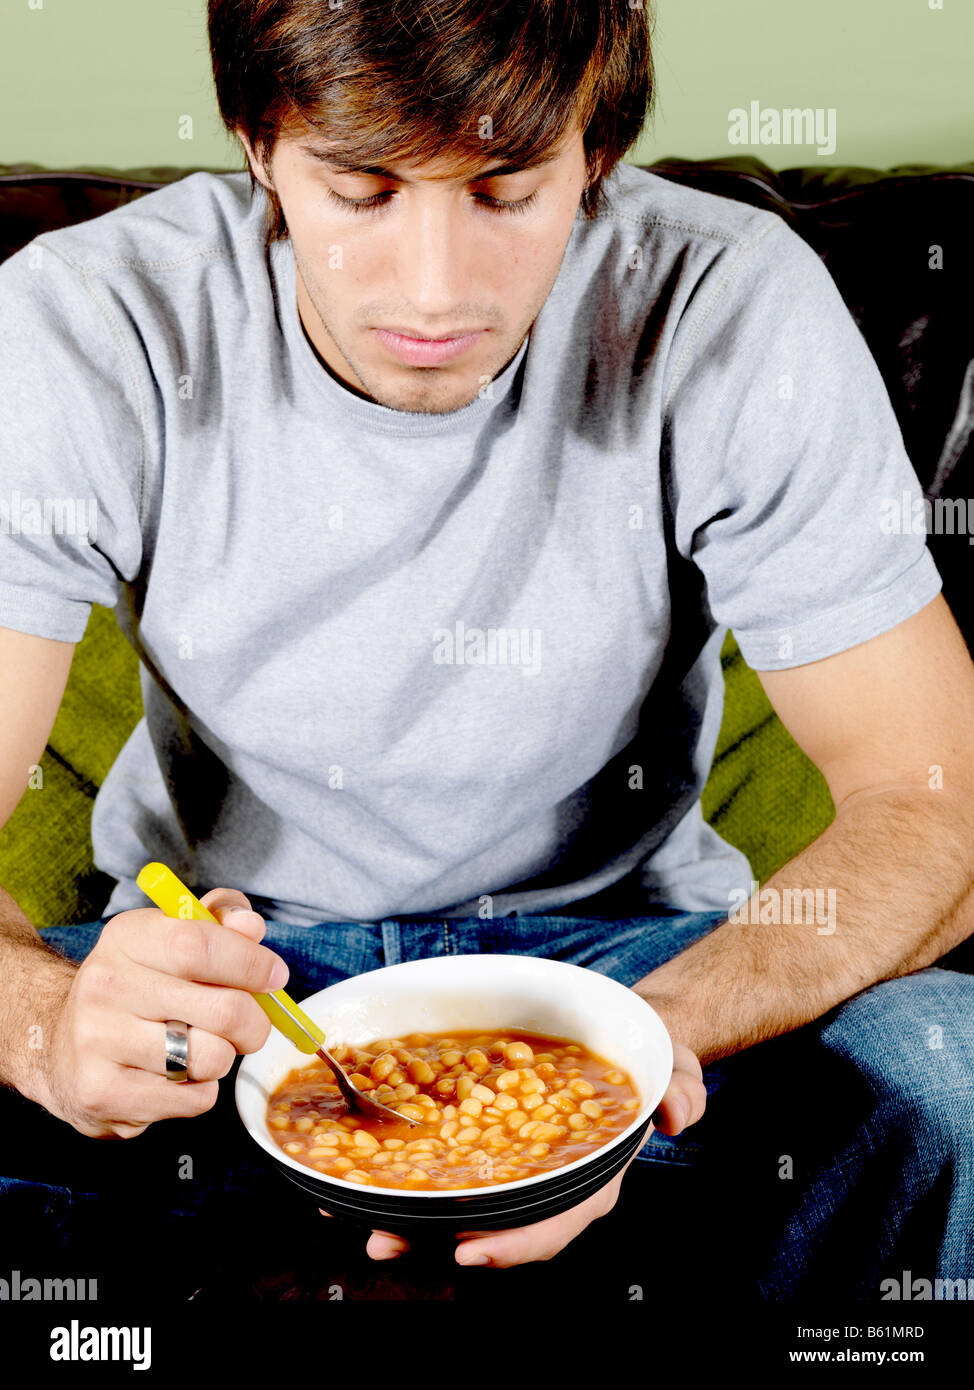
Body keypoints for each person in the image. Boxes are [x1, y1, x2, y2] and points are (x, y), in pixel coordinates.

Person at [1, 0, 972, 1294]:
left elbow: (936, 795)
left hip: (631, 956)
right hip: (232, 985)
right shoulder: (85, 319)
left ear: (597, 154)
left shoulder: (731, 301)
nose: (432, 289)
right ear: (257, 143)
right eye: (361, 188)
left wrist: (632, 1046)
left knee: (947, 1080)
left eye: (506, 191)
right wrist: (47, 1019)